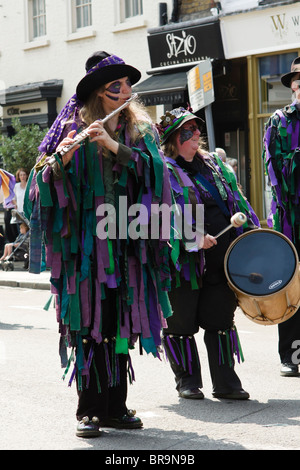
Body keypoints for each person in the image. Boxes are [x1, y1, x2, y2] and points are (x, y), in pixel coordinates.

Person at [24, 51, 173, 437]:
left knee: (121, 325)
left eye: (127, 86)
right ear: (97, 94)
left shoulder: (142, 132)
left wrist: (113, 146)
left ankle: (116, 406)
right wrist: (62, 158)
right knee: (91, 324)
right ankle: (89, 409)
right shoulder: (69, 131)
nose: (124, 93)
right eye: (114, 87)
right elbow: (36, 191)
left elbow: (159, 177)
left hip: (128, 243)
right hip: (85, 249)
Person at [158, 107, 260, 400]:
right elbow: (155, 217)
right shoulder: (162, 171)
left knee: (220, 322)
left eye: (196, 129)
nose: (195, 135)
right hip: (183, 263)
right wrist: (192, 237)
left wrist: (252, 233)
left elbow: (237, 201)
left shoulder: (215, 165)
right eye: (186, 131)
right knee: (180, 324)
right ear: (174, 139)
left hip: (221, 258)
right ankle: (187, 381)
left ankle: (226, 383)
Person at [262, 56, 300, 377]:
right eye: (298, 83)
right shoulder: (278, 122)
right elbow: (273, 170)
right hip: (291, 220)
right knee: (291, 287)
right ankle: (291, 354)